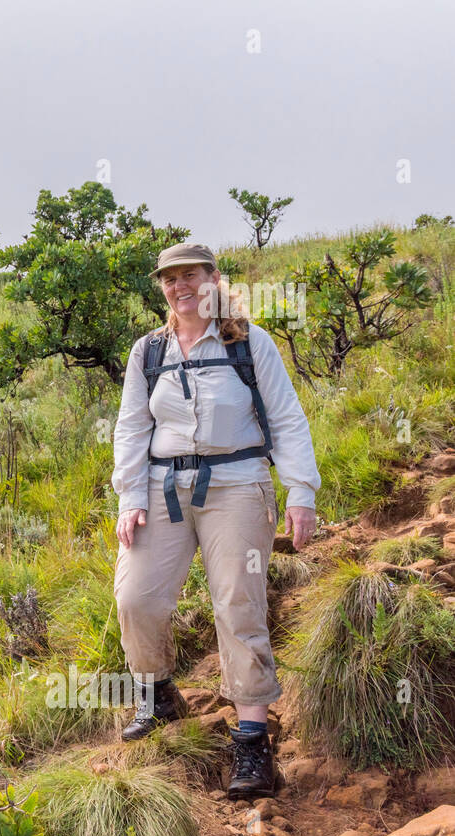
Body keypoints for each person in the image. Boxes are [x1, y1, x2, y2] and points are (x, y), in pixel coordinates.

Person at [110, 242, 321, 799]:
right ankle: (157, 693)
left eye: (191, 275)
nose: (180, 287)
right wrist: (130, 495)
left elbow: (286, 417)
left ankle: (251, 742)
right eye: (169, 279)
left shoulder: (249, 343)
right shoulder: (148, 351)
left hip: (238, 484)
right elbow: (132, 427)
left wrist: (301, 491)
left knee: (237, 604)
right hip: (162, 486)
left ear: (213, 279)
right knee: (136, 599)